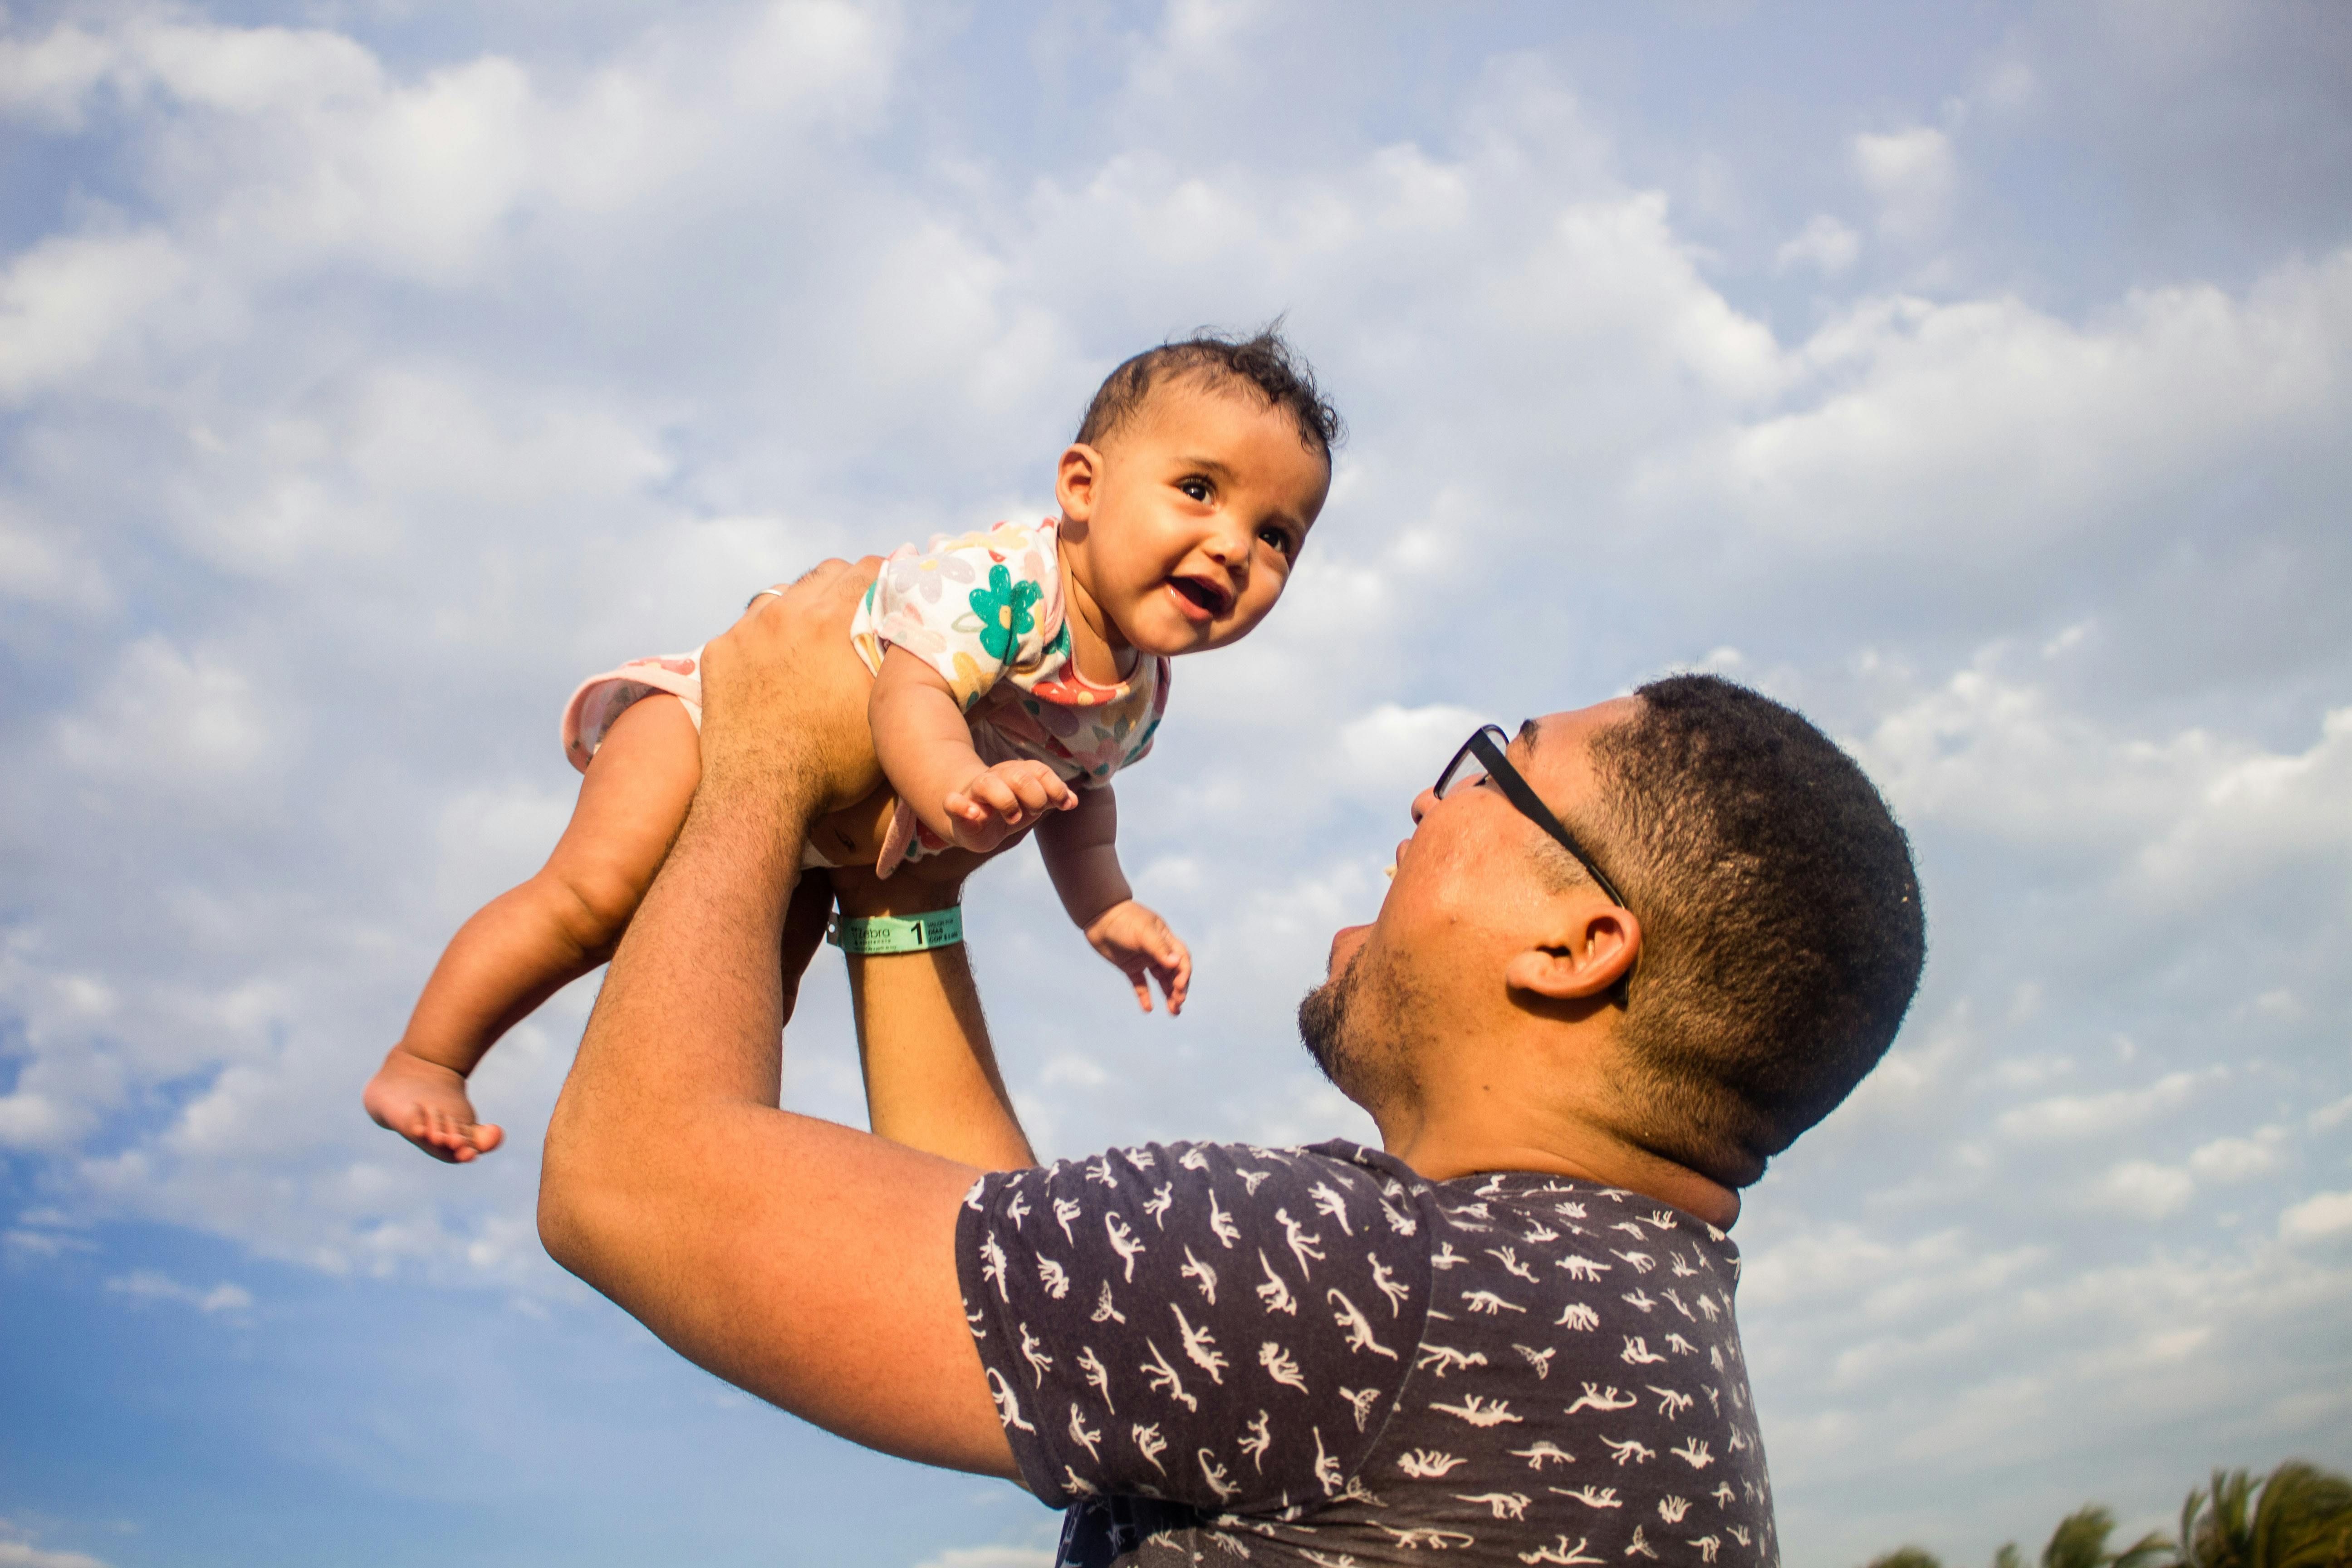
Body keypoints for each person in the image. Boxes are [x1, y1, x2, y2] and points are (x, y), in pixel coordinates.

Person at [536, 564, 1927, 1566]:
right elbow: (1022, 1304)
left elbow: (630, 1186)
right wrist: (905, 904)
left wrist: (765, 742)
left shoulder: (1371, 1282)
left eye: (1495, 772)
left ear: (1578, 944)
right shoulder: (1618, 1324)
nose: (1429, 800)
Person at [364, 330, 1340, 1164]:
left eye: (1277, 537)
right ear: (1082, 486)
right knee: (592, 898)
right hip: (719, 726)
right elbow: (913, 687)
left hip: (813, 828)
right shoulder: (1010, 583)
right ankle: (428, 1058)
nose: (1234, 547)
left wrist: (1108, 908)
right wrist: (954, 781)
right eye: (1199, 490)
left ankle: (677, 1146)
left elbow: (1084, 801)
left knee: (758, 986)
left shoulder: (1143, 694)